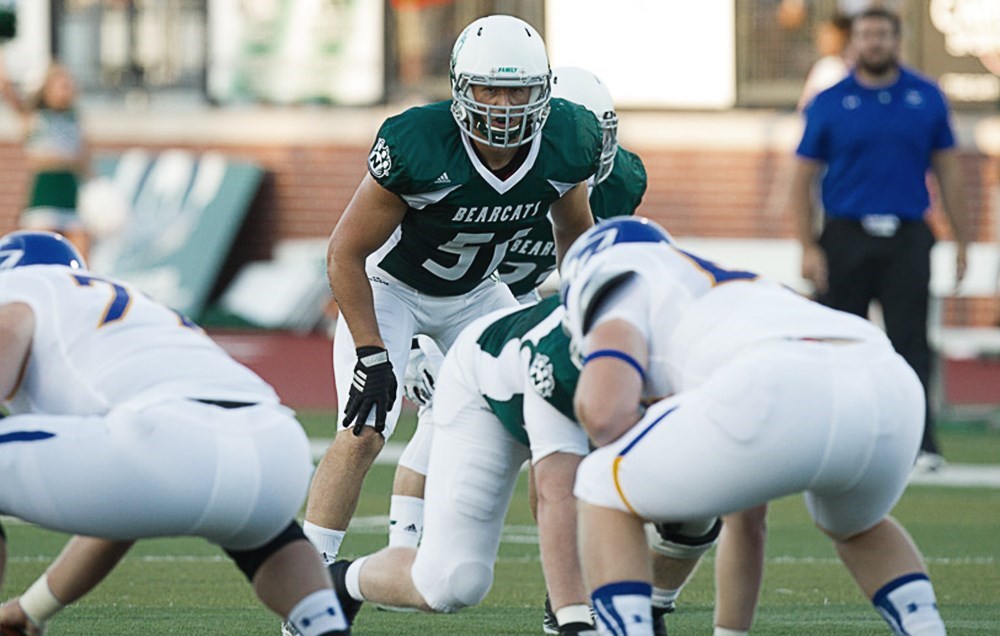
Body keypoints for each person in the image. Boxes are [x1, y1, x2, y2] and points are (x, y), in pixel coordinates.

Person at [304, 13, 600, 569]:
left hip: (477, 294)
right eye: (491, 87)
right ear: (462, 88)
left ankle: (568, 591)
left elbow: (576, 237)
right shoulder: (420, 142)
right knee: (365, 430)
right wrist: (373, 353)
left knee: (548, 422)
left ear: (544, 92)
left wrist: (582, 314)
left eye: (519, 91)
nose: (505, 106)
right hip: (391, 289)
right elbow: (344, 253)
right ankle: (309, 586)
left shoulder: (567, 141)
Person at [559, 216, 946, 636]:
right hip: (887, 381)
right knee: (859, 527)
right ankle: (926, 627)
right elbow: (747, 516)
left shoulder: (618, 276)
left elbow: (603, 413)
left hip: (772, 384)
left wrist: (650, 488)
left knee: (601, 480)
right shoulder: (733, 291)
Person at [0, 231, 349, 636]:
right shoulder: (115, 299)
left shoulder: (23, 286)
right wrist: (31, 609)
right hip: (277, 449)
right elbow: (126, 507)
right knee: (270, 543)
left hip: (162, 437)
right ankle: (325, 626)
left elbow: (10, 328)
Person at [326, 295, 719, 636]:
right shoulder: (564, 364)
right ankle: (341, 583)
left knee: (699, 497)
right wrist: (573, 619)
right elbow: (555, 493)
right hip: (486, 391)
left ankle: (651, 612)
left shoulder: (703, 360)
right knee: (454, 581)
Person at [787, 7, 969, 473]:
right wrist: (808, 245)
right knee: (840, 340)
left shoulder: (925, 97)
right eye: (866, 35)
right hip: (845, 235)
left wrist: (963, 238)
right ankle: (838, 441)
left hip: (908, 235)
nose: (873, 43)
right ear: (854, 42)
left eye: (882, 35)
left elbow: (948, 169)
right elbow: (801, 177)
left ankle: (920, 443)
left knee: (910, 342)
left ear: (896, 40)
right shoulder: (830, 100)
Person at [0, 62, 91, 260]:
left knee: (80, 255)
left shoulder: (74, 119)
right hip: (45, 195)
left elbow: (85, 159)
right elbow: (9, 93)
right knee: (40, 252)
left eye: (68, 86)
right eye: (61, 86)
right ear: (47, 89)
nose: (65, 91)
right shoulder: (35, 117)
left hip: (70, 196)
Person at [797, 12, 853, 111]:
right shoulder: (824, 67)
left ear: (843, 35)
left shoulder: (856, 67)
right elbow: (806, 106)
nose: (821, 40)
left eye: (827, 34)